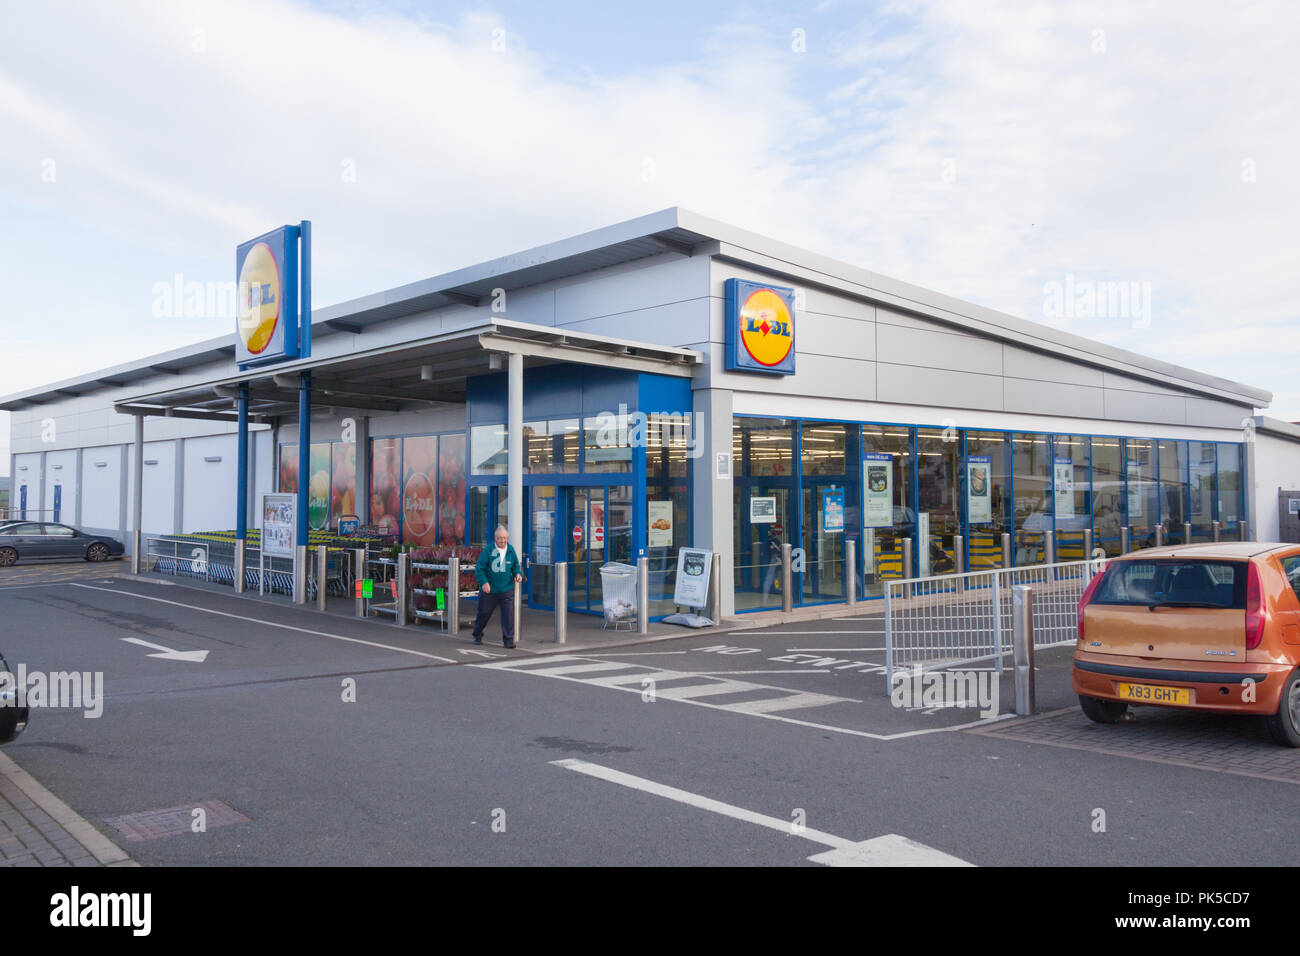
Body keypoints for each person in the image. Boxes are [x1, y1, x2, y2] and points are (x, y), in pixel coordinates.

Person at [472, 525, 524, 648]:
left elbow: (515, 566)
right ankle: (477, 634)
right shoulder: (488, 550)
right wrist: (484, 582)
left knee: (508, 615)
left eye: (505, 538)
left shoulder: (510, 550)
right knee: (484, 614)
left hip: (506, 588)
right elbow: (479, 568)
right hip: (490, 590)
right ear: (495, 538)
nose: (503, 541)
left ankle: (508, 640)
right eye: (500, 538)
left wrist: (517, 574)